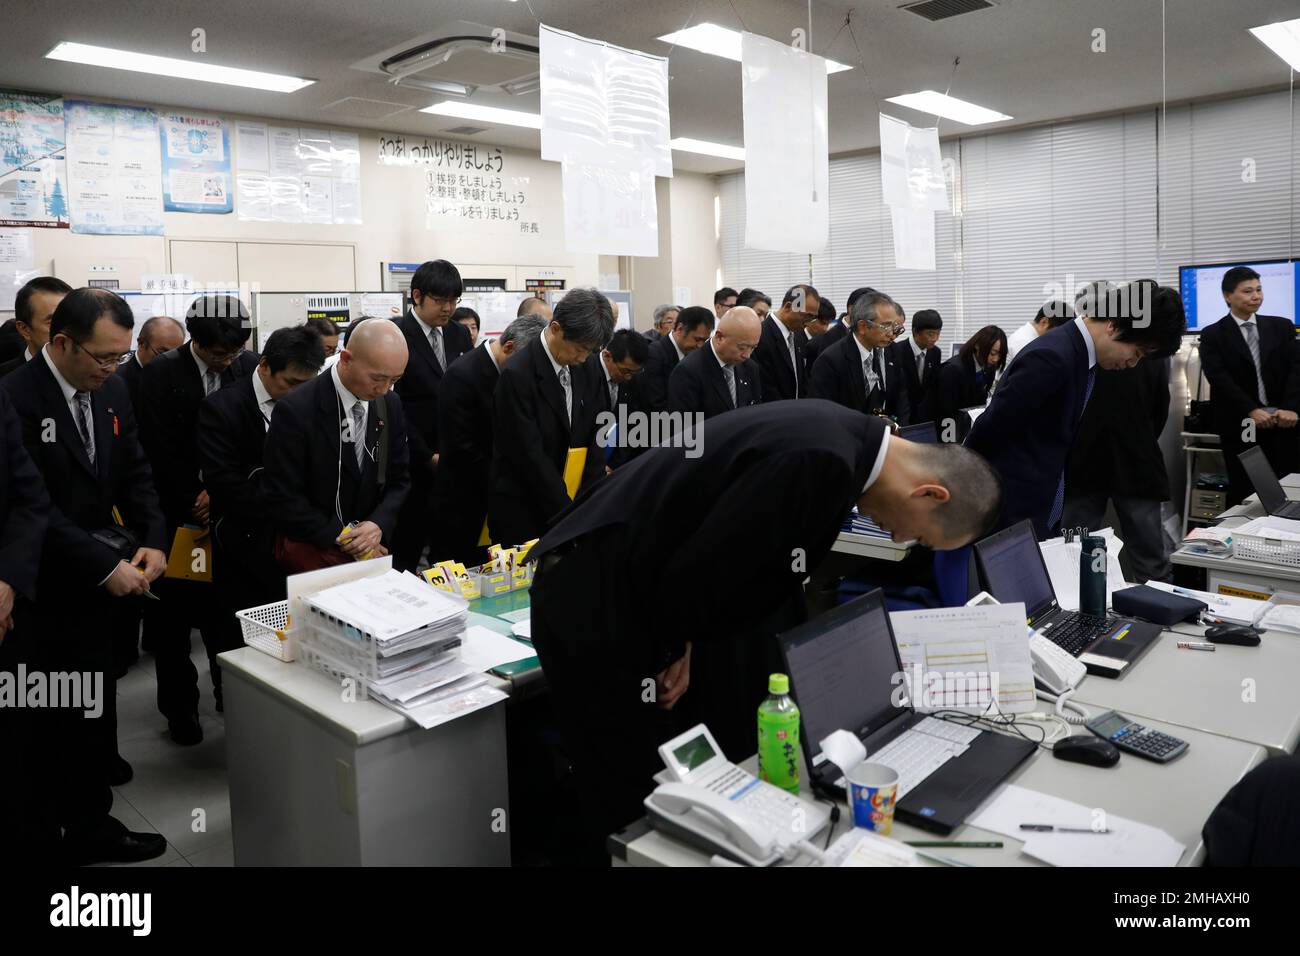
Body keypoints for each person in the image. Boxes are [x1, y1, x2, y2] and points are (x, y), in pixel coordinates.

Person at [528, 400, 1002, 860]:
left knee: (643, 759)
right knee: (623, 773)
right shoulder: (824, 461)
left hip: (631, 586)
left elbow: (718, 562)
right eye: (919, 536)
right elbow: (705, 572)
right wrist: (677, 639)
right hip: (595, 596)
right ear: (929, 493)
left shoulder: (843, 438)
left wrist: (685, 637)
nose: (900, 539)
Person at [2, 288, 168, 864]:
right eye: (103, 357)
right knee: (39, 722)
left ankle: (93, 823)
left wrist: (152, 536)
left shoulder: (114, 388)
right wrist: (105, 566)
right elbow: (32, 505)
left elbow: (135, 469)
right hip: (38, 589)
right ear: (61, 342)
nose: (113, 368)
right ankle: (41, 837)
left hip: (102, 582)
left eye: (121, 356)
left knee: (94, 710)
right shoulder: (14, 398)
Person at [966, 281, 1186, 539]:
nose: (1132, 364)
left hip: (1041, 508)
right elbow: (989, 430)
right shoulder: (1053, 357)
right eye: (1136, 352)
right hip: (1011, 512)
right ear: (1113, 325)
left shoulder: (1081, 356)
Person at [138, 294, 258, 742]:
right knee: (173, 622)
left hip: (232, 516)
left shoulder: (249, 367)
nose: (227, 361)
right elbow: (155, 449)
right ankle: (180, 709)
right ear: (196, 340)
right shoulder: (160, 375)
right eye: (218, 353)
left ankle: (232, 693)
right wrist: (193, 496)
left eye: (235, 352)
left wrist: (225, 490)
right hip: (180, 520)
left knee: (227, 616)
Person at [197, 325, 325, 674]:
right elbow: (225, 485)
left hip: (297, 544)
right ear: (265, 366)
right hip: (244, 544)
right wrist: (287, 496)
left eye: (308, 383)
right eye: (292, 383)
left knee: (293, 641)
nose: (299, 392)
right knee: (239, 640)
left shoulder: (311, 404)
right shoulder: (222, 408)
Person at [262, 319, 412, 567]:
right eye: (378, 378)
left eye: (394, 380)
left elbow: (400, 479)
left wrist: (377, 524)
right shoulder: (297, 409)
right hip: (316, 551)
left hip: (373, 549)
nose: (384, 389)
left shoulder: (390, 404)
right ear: (346, 359)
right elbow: (282, 494)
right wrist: (346, 539)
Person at [488, 288, 615, 546]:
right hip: (526, 508)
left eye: (589, 351)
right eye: (578, 348)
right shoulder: (518, 373)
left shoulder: (588, 366)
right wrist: (568, 511)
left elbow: (597, 431)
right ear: (556, 328)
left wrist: (590, 498)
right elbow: (529, 455)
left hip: (575, 503)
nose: (581, 358)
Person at [1064, 299, 1173, 583]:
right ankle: (1157, 611)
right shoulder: (1150, 350)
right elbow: (1160, 409)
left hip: (1087, 458)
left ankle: (1074, 611)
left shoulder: (1089, 349)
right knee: (1147, 554)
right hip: (1131, 457)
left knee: (1075, 549)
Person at [432, 314, 548, 566]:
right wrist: (507, 476)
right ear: (508, 347)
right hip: (466, 497)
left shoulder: (517, 375)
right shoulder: (462, 374)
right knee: (460, 566)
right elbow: (460, 448)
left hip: (501, 498)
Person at [393, 260, 473, 571]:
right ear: (416, 296)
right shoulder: (397, 334)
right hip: (412, 458)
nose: (448, 308)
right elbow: (395, 404)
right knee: (407, 545)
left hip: (453, 459)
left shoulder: (458, 335)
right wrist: (427, 455)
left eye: (454, 300)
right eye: (440, 301)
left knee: (448, 548)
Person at [1199, 266, 1300, 506]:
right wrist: (1251, 410)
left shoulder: (1282, 327)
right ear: (1228, 296)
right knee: (1245, 489)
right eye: (1247, 291)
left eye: (1259, 289)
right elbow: (1219, 378)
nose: (1256, 296)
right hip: (1243, 423)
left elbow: (1297, 370)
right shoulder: (1213, 334)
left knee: (1289, 487)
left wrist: (1292, 408)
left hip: (1284, 421)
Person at [809, 291, 910, 423]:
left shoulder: (879, 352)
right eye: (885, 326)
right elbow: (822, 414)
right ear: (862, 326)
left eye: (893, 326)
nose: (891, 333)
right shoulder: (831, 361)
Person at [668, 305, 763, 420]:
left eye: (753, 347)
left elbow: (755, 413)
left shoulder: (750, 367)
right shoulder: (688, 371)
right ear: (719, 337)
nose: (747, 355)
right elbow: (685, 429)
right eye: (742, 347)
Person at [929, 325, 1006, 441]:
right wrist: (950, 444)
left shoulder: (988, 368)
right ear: (977, 346)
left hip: (966, 429)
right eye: (992, 353)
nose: (995, 359)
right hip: (944, 431)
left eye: (1000, 355)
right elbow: (946, 415)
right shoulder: (953, 370)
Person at [635, 305, 714, 414]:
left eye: (705, 340)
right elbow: (655, 406)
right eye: (697, 339)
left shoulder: (698, 356)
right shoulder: (654, 355)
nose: (700, 346)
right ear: (680, 329)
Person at [753, 284, 821, 402]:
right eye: (807, 316)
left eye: (813, 318)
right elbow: (766, 388)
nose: (809, 322)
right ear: (789, 307)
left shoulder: (797, 336)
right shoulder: (761, 335)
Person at [0, 276, 72, 378]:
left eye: (73, 319)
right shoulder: (5, 382)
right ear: (24, 329)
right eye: (54, 321)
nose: (70, 330)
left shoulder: (95, 373)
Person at [117, 315, 184, 410]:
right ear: (141, 343)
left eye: (173, 354)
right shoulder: (117, 379)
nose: (167, 361)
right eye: (162, 353)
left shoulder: (180, 378)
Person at [891, 308, 944, 423]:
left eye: (938, 334)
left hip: (926, 417)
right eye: (930, 334)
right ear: (915, 331)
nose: (935, 339)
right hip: (902, 416)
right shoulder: (897, 351)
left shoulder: (936, 353)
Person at [806, 286, 875, 367]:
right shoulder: (825, 339)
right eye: (868, 310)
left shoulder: (874, 335)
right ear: (851, 309)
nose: (873, 315)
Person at [1005, 299, 1075, 366]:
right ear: (1044, 322)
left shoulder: (1033, 340)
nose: (1061, 340)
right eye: (1059, 333)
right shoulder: (1023, 342)